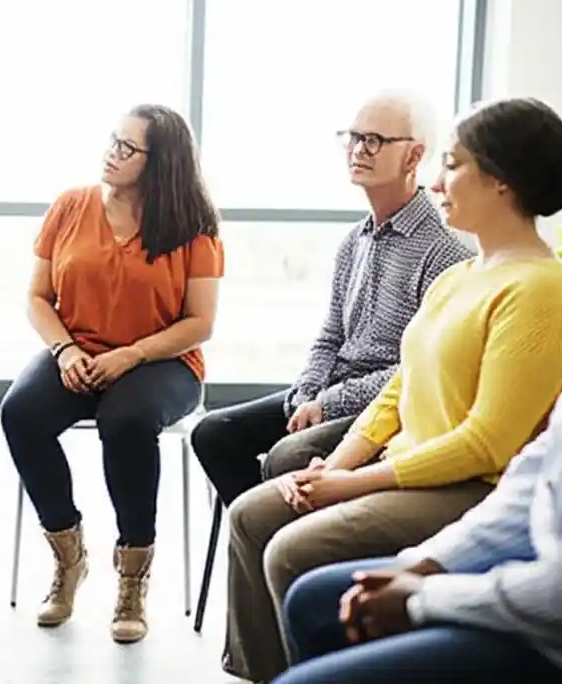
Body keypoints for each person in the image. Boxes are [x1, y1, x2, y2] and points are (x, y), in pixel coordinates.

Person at [274, 6, 562, 684]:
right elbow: (546, 463)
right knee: (313, 598)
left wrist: (428, 591)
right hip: (538, 562)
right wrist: (427, 563)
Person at [223, 96, 562, 682]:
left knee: (293, 550)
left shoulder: (541, 292)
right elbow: (401, 386)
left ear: (501, 182)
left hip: (469, 487)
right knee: (250, 516)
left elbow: (486, 445)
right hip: (411, 470)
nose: (439, 181)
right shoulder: (460, 275)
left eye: (453, 164)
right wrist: (330, 468)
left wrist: (352, 483)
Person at [0, 104, 222, 643]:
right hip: (77, 350)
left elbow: (199, 323)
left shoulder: (194, 226)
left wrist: (132, 355)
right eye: (112, 141)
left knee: (125, 421)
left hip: (162, 362)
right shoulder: (71, 205)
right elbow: (36, 297)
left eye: (128, 148)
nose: (112, 153)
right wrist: (65, 351)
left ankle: (133, 575)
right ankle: (68, 556)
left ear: (160, 162)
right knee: (20, 413)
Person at [191, 90, 473, 508]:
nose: (358, 150)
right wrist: (307, 393)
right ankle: (268, 544)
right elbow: (330, 336)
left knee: (290, 456)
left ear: (414, 157)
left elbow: (416, 369)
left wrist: (329, 402)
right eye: (353, 137)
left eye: (374, 140)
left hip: (381, 410)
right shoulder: (353, 242)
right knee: (214, 433)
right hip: (328, 393)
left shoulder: (447, 253)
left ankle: (281, 542)